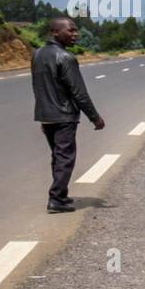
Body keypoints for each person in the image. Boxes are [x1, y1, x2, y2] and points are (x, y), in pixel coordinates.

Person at [31, 16, 104, 213]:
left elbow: (38, 88)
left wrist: (44, 113)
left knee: (58, 156)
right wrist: (94, 117)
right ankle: (55, 199)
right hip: (63, 116)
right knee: (65, 158)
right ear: (55, 32)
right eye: (70, 30)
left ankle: (60, 196)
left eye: (75, 30)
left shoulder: (37, 54)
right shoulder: (66, 58)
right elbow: (78, 92)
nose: (75, 34)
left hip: (46, 115)